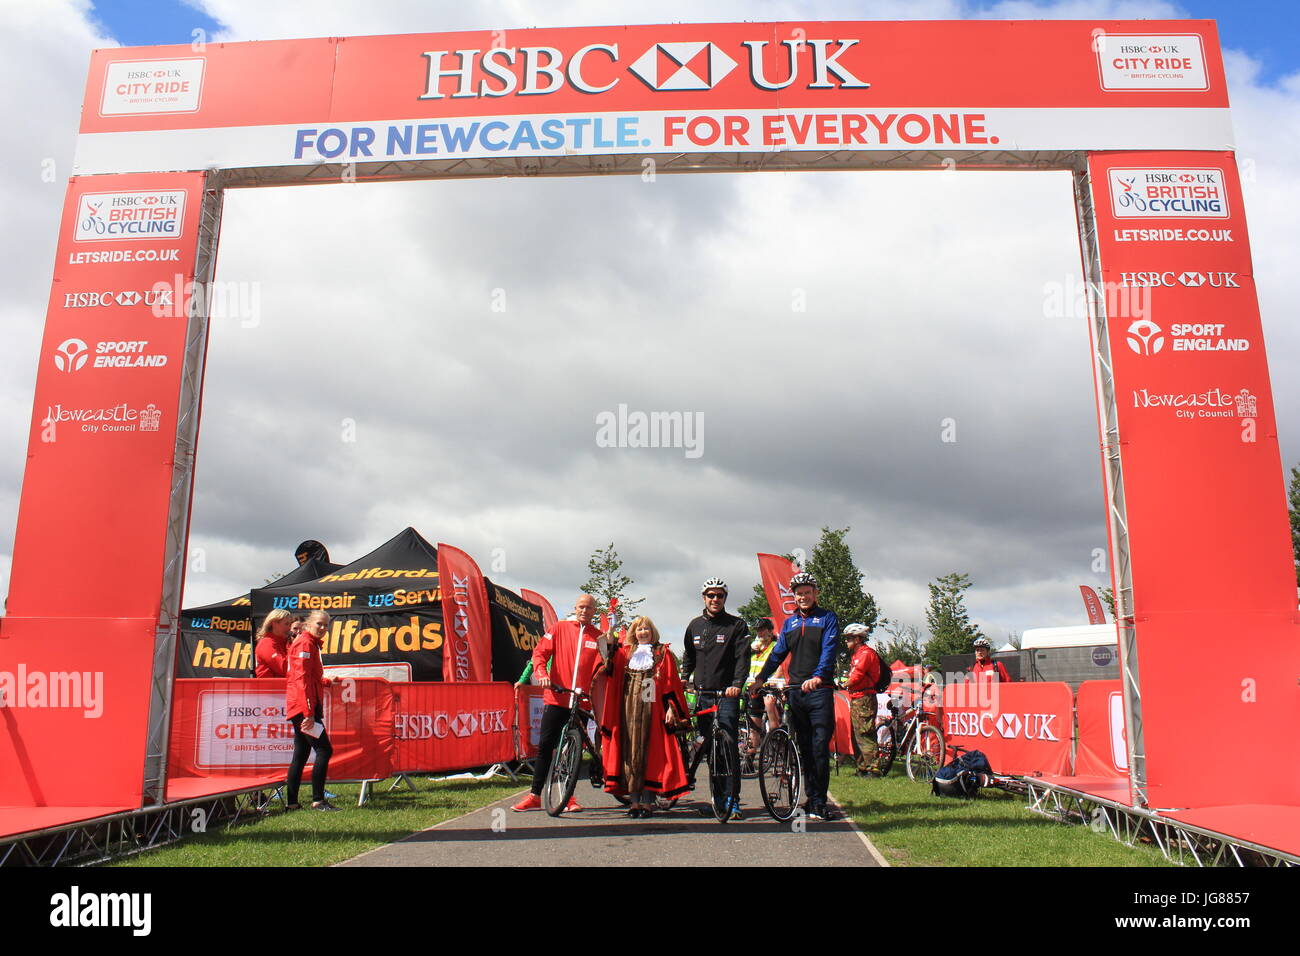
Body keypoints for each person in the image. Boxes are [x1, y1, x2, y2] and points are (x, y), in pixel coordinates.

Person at [752, 572, 841, 821]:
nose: (803, 596)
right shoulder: (790, 623)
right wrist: (761, 679)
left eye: (807, 592)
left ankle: (819, 801)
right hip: (796, 693)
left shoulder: (827, 618)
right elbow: (777, 654)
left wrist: (819, 676)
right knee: (804, 749)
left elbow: (829, 649)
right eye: (799, 593)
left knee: (819, 747)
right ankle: (810, 798)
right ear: (794, 596)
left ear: (815, 594)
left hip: (818, 691)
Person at [512, 594, 606, 812]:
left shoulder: (598, 636)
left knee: (571, 751)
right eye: (582, 607)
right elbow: (539, 654)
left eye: (590, 608)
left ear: (594, 611)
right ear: (575, 607)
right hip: (557, 697)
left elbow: (605, 667)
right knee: (546, 747)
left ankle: (568, 798)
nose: (585, 611)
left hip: (581, 702)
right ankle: (535, 795)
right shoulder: (559, 628)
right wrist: (541, 674)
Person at [599, 616, 689, 817]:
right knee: (630, 755)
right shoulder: (626, 652)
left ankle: (648, 803)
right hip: (627, 711)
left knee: (651, 756)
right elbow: (608, 663)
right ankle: (634, 803)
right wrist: (609, 636)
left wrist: (670, 709)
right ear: (634, 632)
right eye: (639, 629)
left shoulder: (662, 653)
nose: (643, 632)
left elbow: (670, 682)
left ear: (652, 631)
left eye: (646, 628)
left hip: (653, 710)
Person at [682, 577, 749, 820]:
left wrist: (737, 685)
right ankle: (717, 799)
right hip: (703, 696)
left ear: (724, 599)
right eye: (711, 595)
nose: (715, 599)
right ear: (704, 598)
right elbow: (689, 657)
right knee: (711, 750)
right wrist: (683, 678)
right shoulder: (694, 625)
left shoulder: (737, 625)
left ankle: (733, 801)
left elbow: (743, 659)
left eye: (719, 596)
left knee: (729, 746)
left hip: (726, 696)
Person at [285, 610, 337, 811]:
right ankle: (318, 800)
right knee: (324, 749)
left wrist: (325, 682)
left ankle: (292, 803)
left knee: (301, 753)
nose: (323, 628)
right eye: (319, 624)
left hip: (302, 704)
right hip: (303, 706)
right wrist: (308, 712)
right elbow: (301, 680)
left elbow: (308, 677)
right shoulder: (305, 643)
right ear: (308, 624)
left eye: (326, 625)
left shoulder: (309, 643)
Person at [843, 623, 885, 776]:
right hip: (857, 697)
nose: (846, 641)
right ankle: (862, 766)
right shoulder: (857, 653)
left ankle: (873, 768)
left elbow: (857, 676)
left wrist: (842, 684)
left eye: (849, 638)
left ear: (858, 639)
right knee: (857, 733)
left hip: (864, 698)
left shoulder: (866, 653)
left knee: (865, 732)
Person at [743, 619, 783, 757]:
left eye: (762, 629)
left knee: (769, 705)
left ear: (770, 631)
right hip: (754, 687)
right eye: (758, 630)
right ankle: (751, 754)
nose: (759, 632)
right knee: (754, 724)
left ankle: (777, 739)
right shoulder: (755, 647)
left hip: (769, 686)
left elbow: (780, 665)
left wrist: (773, 680)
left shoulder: (775, 645)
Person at [254, 609, 294, 678]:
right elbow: (284, 668)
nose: (289, 628)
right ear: (274, 623)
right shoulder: (266, 643)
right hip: (270, 687)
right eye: (286, 624)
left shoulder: (285, 642)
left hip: (282, 686)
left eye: (290, 624)